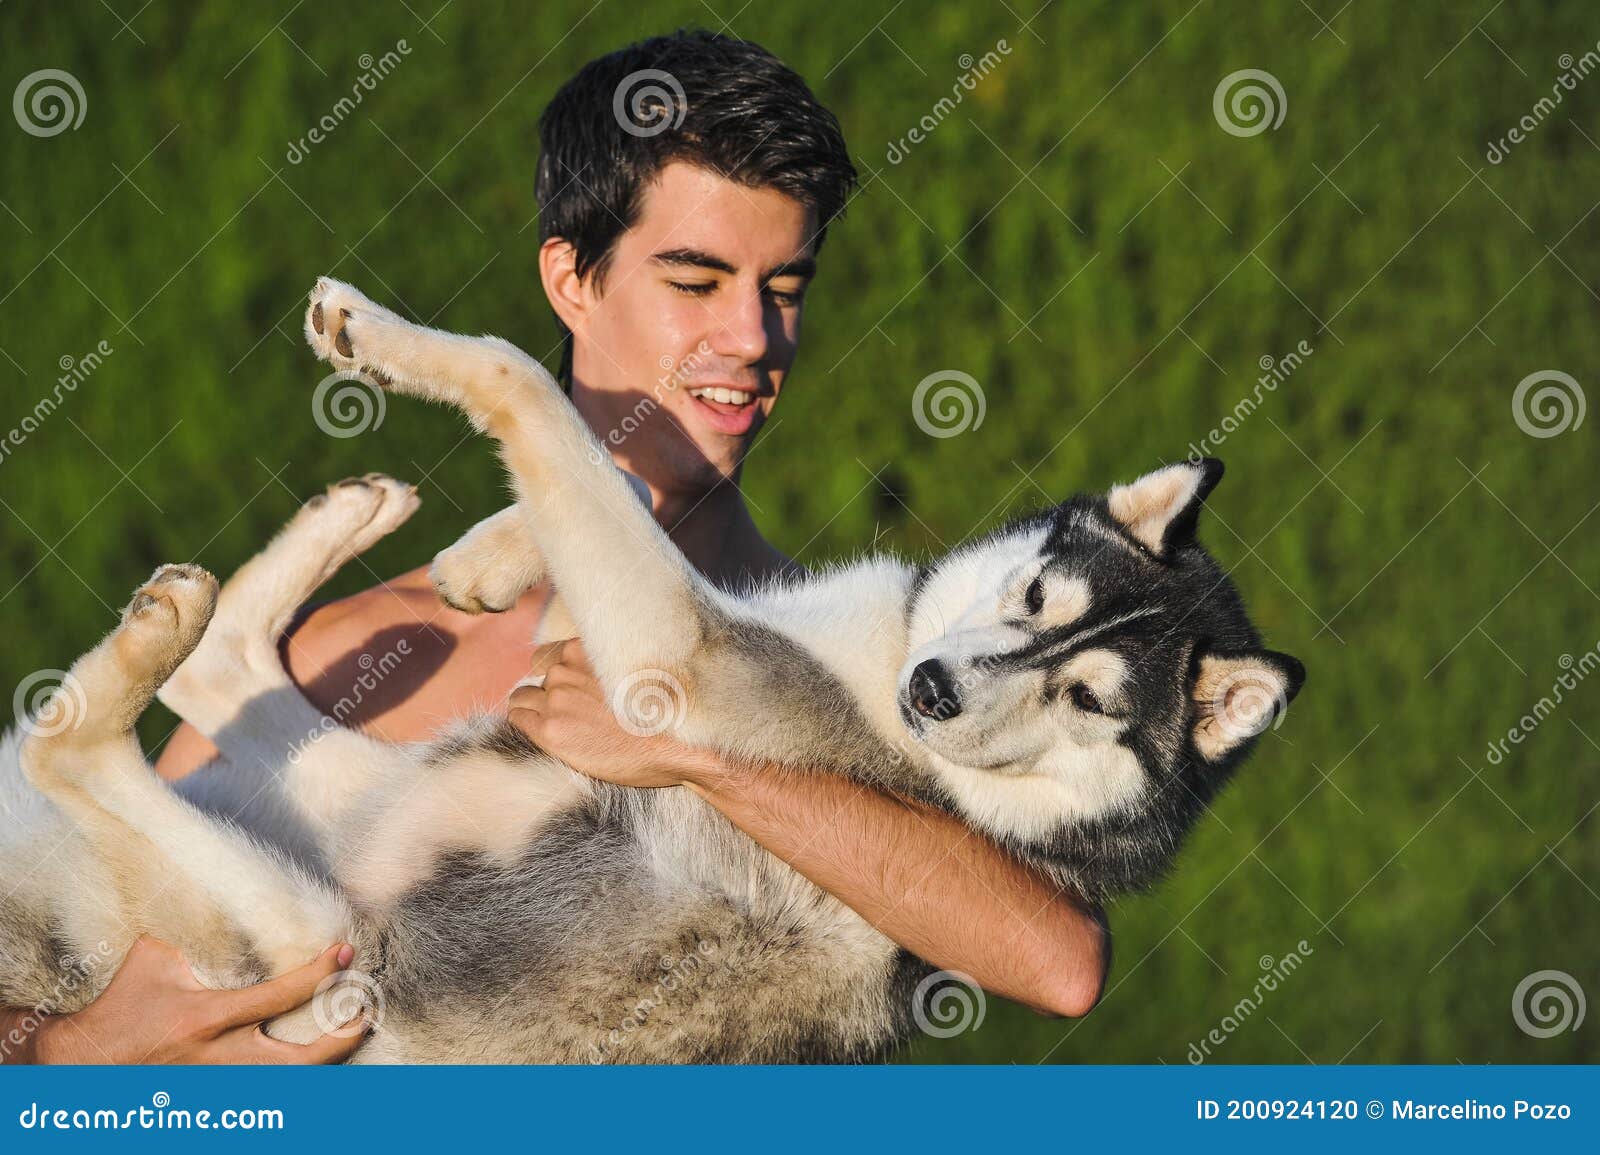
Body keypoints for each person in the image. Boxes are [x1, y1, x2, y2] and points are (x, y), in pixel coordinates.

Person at [4, 30, 1107, 1064]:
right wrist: (59, 1058)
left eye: (783, 289)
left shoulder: (831, 668)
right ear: (570, 280)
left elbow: (1056, 962)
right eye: (696, 282)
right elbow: (105, 924)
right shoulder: (373, 649)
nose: (752, 339)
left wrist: (696, 751)